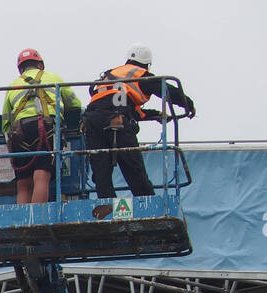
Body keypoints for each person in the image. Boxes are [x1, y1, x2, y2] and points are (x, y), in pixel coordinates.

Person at [82, 44, 195, 199]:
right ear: (147, 63)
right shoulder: (141, 75)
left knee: (101, 168)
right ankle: (146, 201)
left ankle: (106, 204)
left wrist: (155, 114)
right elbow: (167, 90)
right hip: (117, 119)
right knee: (132, 165)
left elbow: (123, 105)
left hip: (92, 119)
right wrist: (188, 104)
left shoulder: (109, 75)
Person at [2, 49, 80, 204]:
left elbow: (6, 119)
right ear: (40, 65)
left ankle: (23, 223)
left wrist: (9, 140)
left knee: (23, 183)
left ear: (21, 69)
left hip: (20, 130)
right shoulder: (53, 78)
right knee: (41, 175)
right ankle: (38, 220)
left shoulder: (13, 85)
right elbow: (75, 104)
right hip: (46, 127)